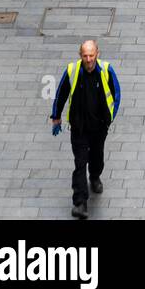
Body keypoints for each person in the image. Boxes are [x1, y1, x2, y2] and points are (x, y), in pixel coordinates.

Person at [50, 40, 121, 219]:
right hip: (79, 128)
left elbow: (116, 95)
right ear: (80, 55)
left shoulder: (106, 70)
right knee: (80, 163)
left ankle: (95, 176)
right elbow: (61, 94)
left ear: (97, 53)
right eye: (85, 56)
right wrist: (56, 117)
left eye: (91, 55)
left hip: (99, 128)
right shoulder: (72, 71)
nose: (89, 59)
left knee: (97, 157)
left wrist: (109, 119)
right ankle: (80, 202)